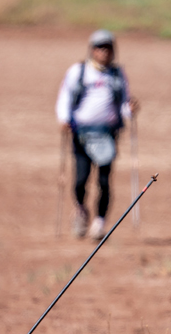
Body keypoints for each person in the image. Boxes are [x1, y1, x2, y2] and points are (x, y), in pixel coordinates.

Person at [56, 29, 140, 240]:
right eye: (100, 48)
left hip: (107, 134)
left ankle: (99, 222)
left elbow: (123, 104)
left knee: (104, 181)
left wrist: (130, 110)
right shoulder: (79, 71)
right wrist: (64, 118)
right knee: (81, 180)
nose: (104, 52)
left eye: (108, 48)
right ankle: (81, 210)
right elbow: (65, 96)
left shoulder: (117, 75)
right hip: (81, 133)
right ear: (92, 50)